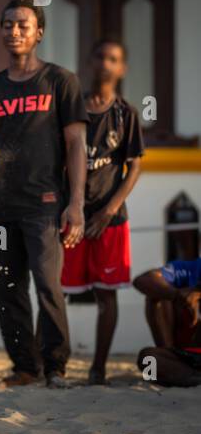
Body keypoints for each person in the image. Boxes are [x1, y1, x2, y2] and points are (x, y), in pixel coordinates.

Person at [0, 0, 87, 388]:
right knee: (7, 286)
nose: (14, 31)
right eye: (7, 24)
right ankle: (24, 367)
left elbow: (75, 145)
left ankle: (55, 367)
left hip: (45, 204)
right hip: (0, 206)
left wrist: (76, 203)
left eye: (23, 25)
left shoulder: (60, 81)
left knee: (48, 285)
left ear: (39, 33)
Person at [60, 40, 145, 384]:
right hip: (72, 216)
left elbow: (134, 167)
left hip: (109, 221)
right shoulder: (71, 108)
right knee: (57, 291)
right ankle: (53, 365)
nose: (106, 64)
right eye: (100, 57)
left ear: (122, 68)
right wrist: (70, 208)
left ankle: (98, 369)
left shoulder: (126, 113)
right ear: (89, 62)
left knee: (105, 295)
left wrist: (108, 211)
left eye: (114, 59)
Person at [133, 258, 201, 387]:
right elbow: (141, 281)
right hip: (188, 357)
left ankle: (183, 377)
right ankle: (189, 376)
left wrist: (196, 294)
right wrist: (178, 296)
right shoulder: (194, 268)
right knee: (147, 359)